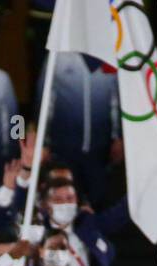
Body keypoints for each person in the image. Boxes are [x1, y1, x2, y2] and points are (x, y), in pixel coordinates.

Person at [36, 51, 122, 206]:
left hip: (100, 150)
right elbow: (45, 101)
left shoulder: (108, 54)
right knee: (64, 202)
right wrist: (43, 143)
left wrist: (118, 138)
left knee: (101, 205)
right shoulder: (58, 56)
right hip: (63, 149)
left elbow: (117, 99)